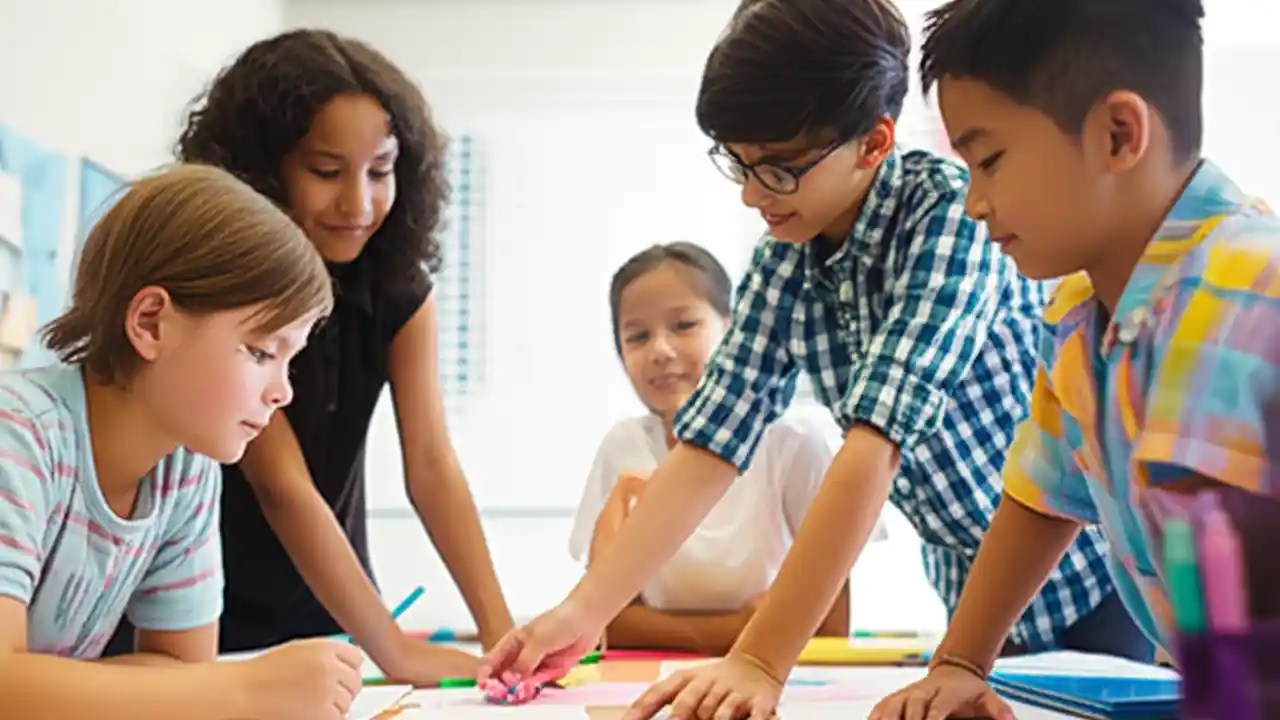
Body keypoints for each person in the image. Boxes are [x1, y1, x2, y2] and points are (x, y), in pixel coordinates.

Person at [478, 1, 1146, 717]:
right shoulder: (786, 260)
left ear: (873, 142)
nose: (751, 192)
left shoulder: (949, 221)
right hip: (975, 597)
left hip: (1095, 578)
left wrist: (762, 659)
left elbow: (874, 443)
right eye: (738, 162)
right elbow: (709, 442)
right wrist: (579, 614)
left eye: (781, 169)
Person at [871, 1, 1280, 718]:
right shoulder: (1076, 314)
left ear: (1118, 134)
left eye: (989, 161)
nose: (974, 203)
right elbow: (1041, 491)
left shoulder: (1246, 295)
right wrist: (962, 662)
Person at [137, 29, 510, 682]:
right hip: (199, 613)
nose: (359, 203)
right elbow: (282, 486)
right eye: (327, 171)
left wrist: (502, 632)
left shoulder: (399, 290)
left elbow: (431, 465)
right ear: (262, 170)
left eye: (382, 170)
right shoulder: (223, 290)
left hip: (331, 612)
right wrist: (394, 650)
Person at [0, 163, 365, 720]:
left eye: (290, 359)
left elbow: (182, 674)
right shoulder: (18, 434)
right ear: (150, 323)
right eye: (262, 351)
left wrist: (47, 686)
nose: (283, 391)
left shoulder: (185, 472)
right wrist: (248, 689)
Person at [572, 242, 853, 655]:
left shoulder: (793, 442)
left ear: (733, 329)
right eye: (637, 336)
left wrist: (659, 628)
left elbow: (830, 627)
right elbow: (605, 623)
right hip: (651, 678)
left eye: (684, 325)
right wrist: (746, 626)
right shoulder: (623, 446)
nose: (661, 351)